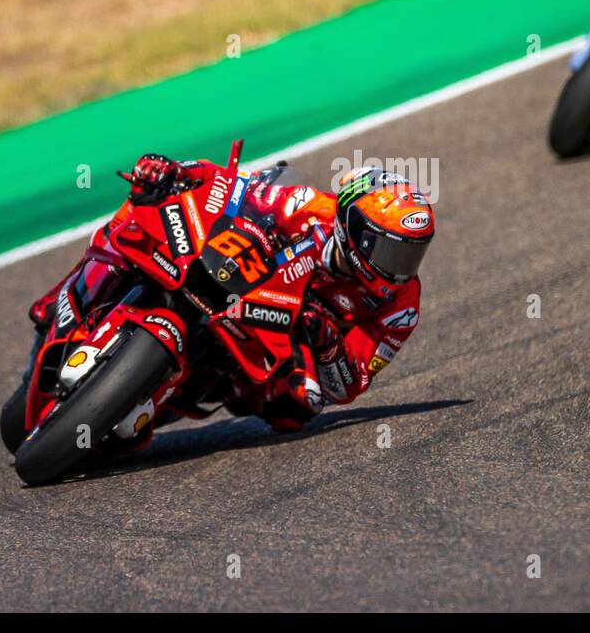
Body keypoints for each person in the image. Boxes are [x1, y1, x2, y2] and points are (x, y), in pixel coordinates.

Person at [28, 154, 434, 434]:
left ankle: (159, 398)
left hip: (280, 346)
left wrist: (326, 342)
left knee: (300, 406)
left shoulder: (401, 309)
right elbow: (237, 189)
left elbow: (347, 386)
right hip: (237, 282)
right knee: (140, 216)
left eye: (410, 253)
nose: (398, 266)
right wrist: (181, 171)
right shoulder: (311, 207)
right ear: (351, 225)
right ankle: (69, 297)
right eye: (389, 248)